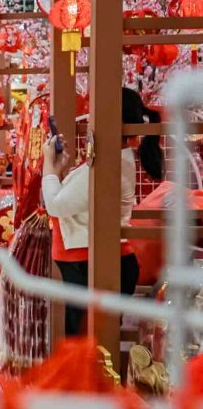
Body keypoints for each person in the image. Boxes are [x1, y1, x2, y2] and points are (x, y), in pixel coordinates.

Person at [41, 87, 163, 336]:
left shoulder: (109, 165)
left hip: (91, 263)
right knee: (86, 341)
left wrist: (49, 167)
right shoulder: (110, 161)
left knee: (87, 344)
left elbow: (56, 205)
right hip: (89, 260)